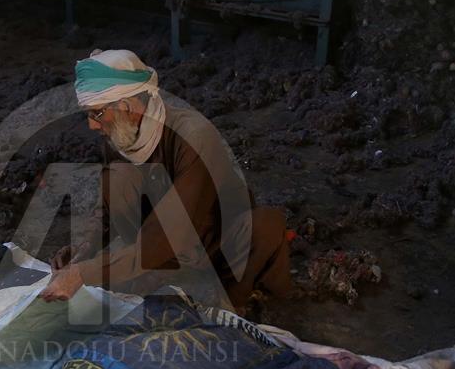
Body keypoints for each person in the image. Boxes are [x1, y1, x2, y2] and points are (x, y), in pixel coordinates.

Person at [39, 49, 292, 313]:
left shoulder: (195, 136)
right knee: (119, 180)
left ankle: (224, 296)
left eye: (97, 114)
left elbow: (170, 235)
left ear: (125, 107)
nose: (92, 125)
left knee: (261, 229)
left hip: (214, 240)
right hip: (162, 242)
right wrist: (82, 253)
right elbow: (107, 209)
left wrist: (85, 273)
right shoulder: (121, 134)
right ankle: (155, 270)